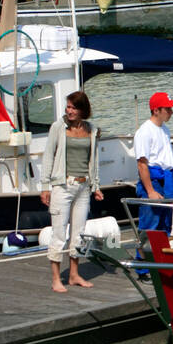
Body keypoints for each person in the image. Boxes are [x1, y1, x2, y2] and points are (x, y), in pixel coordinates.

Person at [40, 90, 103, 293]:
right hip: (62, 186)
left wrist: (96, 187)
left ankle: (74, 275)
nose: (69, 111)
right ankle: (56, 278)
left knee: (79, 233)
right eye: (68, 107)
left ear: (83, 110)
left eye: (73, 108)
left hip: (83, 186)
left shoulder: (91, 130)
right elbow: (48, 156)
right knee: (59, 233)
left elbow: (93, 161)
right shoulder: (58, 127)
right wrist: (45, 186)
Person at [134, 91, 173, 236]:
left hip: (167, 181)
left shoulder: (165, 130)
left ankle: (162, 254)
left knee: (165, 224)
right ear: (156, 110)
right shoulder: (144, 132)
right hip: (154, 182)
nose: (171, 112)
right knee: (150, 225)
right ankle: (143, 257)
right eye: (167, 109)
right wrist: (150, 191)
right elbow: (142, 164)